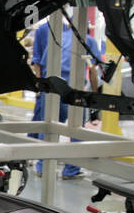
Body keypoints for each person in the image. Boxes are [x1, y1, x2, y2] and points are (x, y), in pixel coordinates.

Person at [30, 14, 103, 179]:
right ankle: (71, 170)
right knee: (76, 132)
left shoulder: (55, 41)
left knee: (47, 130)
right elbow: (93, 70)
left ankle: (42, 167)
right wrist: (94, 94)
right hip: (74, 93)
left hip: (51, 91)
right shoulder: (88, 41)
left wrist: (41, 91)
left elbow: (39, 65)